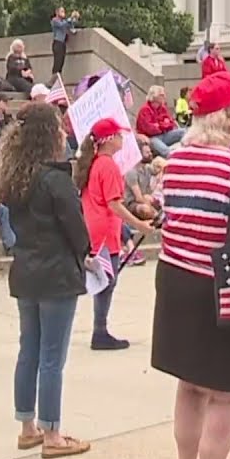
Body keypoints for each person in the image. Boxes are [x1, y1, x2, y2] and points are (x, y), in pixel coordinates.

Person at [153, 70, 230, 459]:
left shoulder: (176, 160)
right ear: (228, 114)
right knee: (227, 394)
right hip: (221, 286)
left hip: (175, 278)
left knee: (190, 385)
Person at [0, 102, 93, 457]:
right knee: (53, 356)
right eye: (60, 128)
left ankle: (27, 425)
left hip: (26, 270)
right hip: (56, 274)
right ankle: (52, 434)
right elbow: (77, 232)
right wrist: (86, 253)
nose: (65, 133)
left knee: (29, 350)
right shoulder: (55, 180)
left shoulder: (15, 177)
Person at [76, 118, 156, 350]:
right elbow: (114, 204)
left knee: (103, 282)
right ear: (109, 139)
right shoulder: (107, 165)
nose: (123, 139)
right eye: (119, 135)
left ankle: (100, 328)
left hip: (94, 229)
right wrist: (139, 225)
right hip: (104, 233)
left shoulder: (92, 164)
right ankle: (100, 330)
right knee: (106, 284)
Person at [137, 86, 186, 158]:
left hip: (165, 134)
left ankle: (186, 151)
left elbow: (171, 123)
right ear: (154, 96)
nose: (165, 97)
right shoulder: (144, 110)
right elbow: (150, 129)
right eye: (161, 95)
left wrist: (159, 125)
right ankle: (173, 156)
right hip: (151, 138)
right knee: (164, 149)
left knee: (184, 131)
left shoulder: (163, 108)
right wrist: (163, 124)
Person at [50, 7, 80, 76]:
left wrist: (75, 17)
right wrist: (70, 18)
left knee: (61, 63)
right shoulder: (54, 20)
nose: (63, 13)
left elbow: (71, 24)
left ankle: (58, 79)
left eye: (64, 11)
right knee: (57, 62)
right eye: (62, 11)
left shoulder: (64, 21)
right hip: (57, 43)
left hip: (63, 44)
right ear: (57, 12)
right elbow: (62, 25)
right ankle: (54, 79)